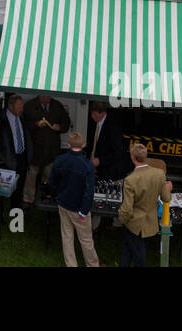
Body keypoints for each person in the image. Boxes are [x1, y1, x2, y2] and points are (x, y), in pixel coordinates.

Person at [47, 132, 98, 267]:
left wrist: (57, 196)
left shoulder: (60, 160)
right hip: (79, 208)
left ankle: (71, 264)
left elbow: (52, 182)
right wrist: (84, 211)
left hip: (63, 204)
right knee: (86, 240)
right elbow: (89, 191)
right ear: (84, 145)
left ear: (68, 145)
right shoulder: (88, 166)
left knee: (67, 237)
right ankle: (92, 265)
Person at [117, 143, 171, 268]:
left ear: (132, 157)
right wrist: (168, 189)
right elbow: (166, 198)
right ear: (145, 156)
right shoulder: (159, 174)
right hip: (150, 220)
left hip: (134, 223)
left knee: (138, 255)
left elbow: (127, 208)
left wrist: (122, 220)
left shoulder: (131, 179)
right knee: (127, 248)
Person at [21, 94, 69, 203]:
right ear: (40, 95)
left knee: (50, 177)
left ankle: (48, 199)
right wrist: (35, 124)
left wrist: (60, 127)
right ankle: (28, 200)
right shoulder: (29, 105)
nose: (47, 98)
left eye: (49, 96)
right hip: (34, 150)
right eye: (45, 96)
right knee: (31, 176)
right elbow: (23, 124)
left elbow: (67, 122)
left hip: (52, 151)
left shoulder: (57, 105)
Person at [0, 94, 31, 211]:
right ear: (10, 106)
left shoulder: (22, 117)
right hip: (7, 160)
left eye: (22, 106)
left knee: (19, 189)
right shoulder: (0, 119)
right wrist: (1, 158)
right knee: (2, 190)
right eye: (19, 106)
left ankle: (15, 214)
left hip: (21, 159)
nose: (22, 109)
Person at [85, 100, 130, 182]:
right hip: (95, 169)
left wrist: (100, 160)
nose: (92, 116)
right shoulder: (94, 124)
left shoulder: (113, 127)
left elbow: (119, 152)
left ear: (102, 113)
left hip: (110, 171)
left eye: (94, 114)